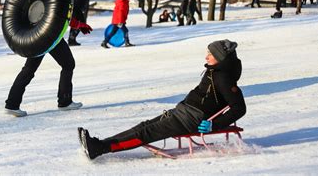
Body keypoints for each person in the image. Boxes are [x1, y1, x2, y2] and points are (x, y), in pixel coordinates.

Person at [78, 39, 246, 160]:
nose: (206, 57)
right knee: (143, 126)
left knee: (145, 133)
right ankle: (99, 144)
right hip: (183, 112)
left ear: (220, 57)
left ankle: (99, 149)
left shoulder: (224, 78)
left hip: (190, 119)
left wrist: (214, 125)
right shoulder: (215, 71)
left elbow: (239, 107)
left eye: (210, 54)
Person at [5, 0, 92, 117]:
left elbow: (62, 17)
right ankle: (64, 101)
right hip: (46, 37)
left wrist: (78, 24)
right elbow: (54, 16)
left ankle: (12, 103)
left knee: (32, 69)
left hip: (48, 36)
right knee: (66, 64)